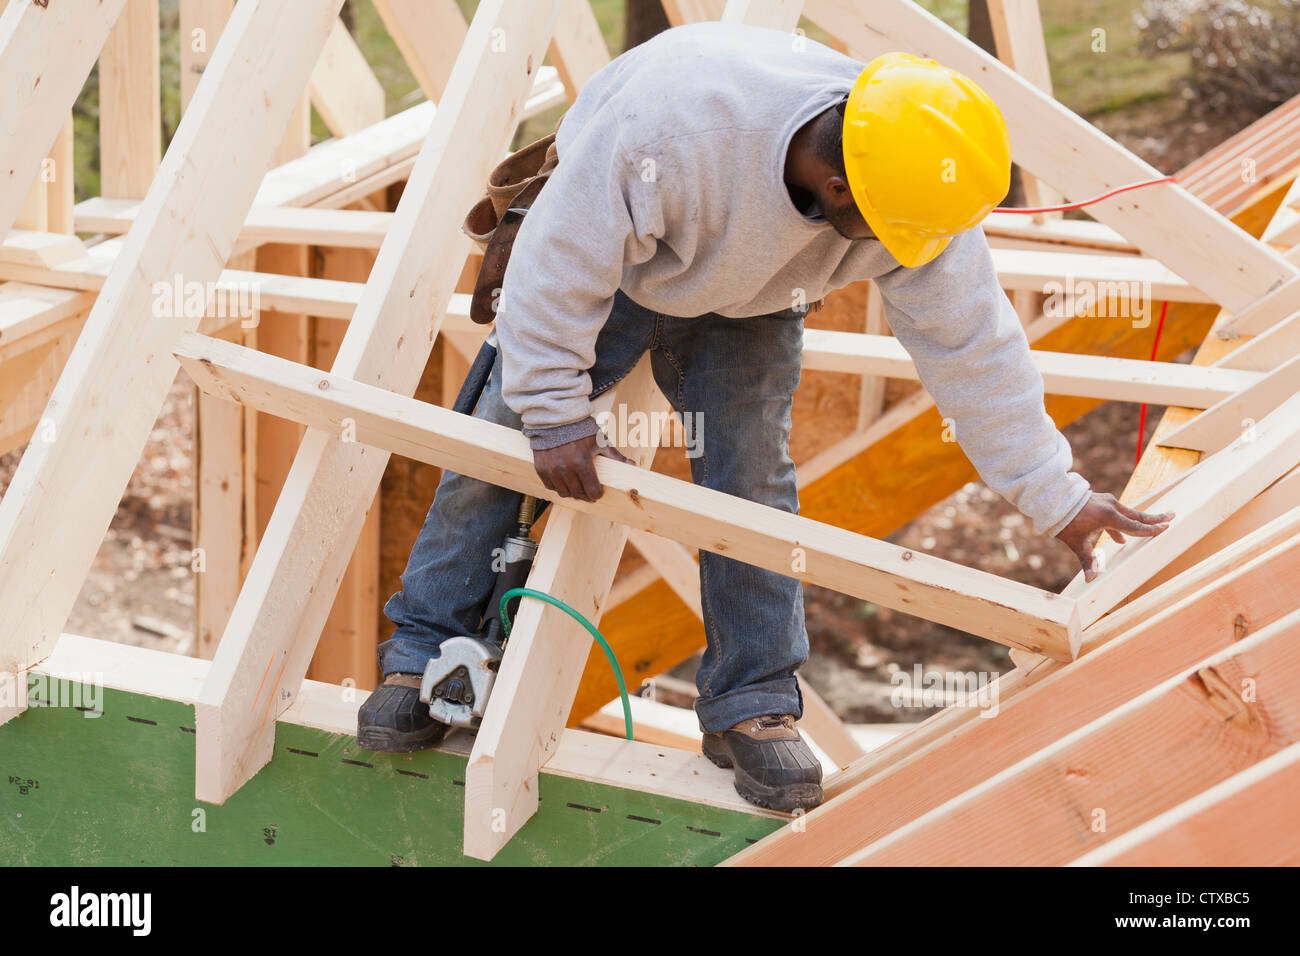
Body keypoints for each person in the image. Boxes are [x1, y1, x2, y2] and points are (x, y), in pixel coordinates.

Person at [359, 22, 1172, 812]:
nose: (899, 256)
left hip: (755, 296)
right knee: (500, 435)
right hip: (615, 254)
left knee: (751, 477)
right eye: (886, 237)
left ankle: (750, 700)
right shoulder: (670, 135)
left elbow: (974, 347)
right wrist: (554, 415)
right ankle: (421, 652)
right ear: (839, 184)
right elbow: (557, 270)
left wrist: (1055, 493)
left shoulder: (918, 180)